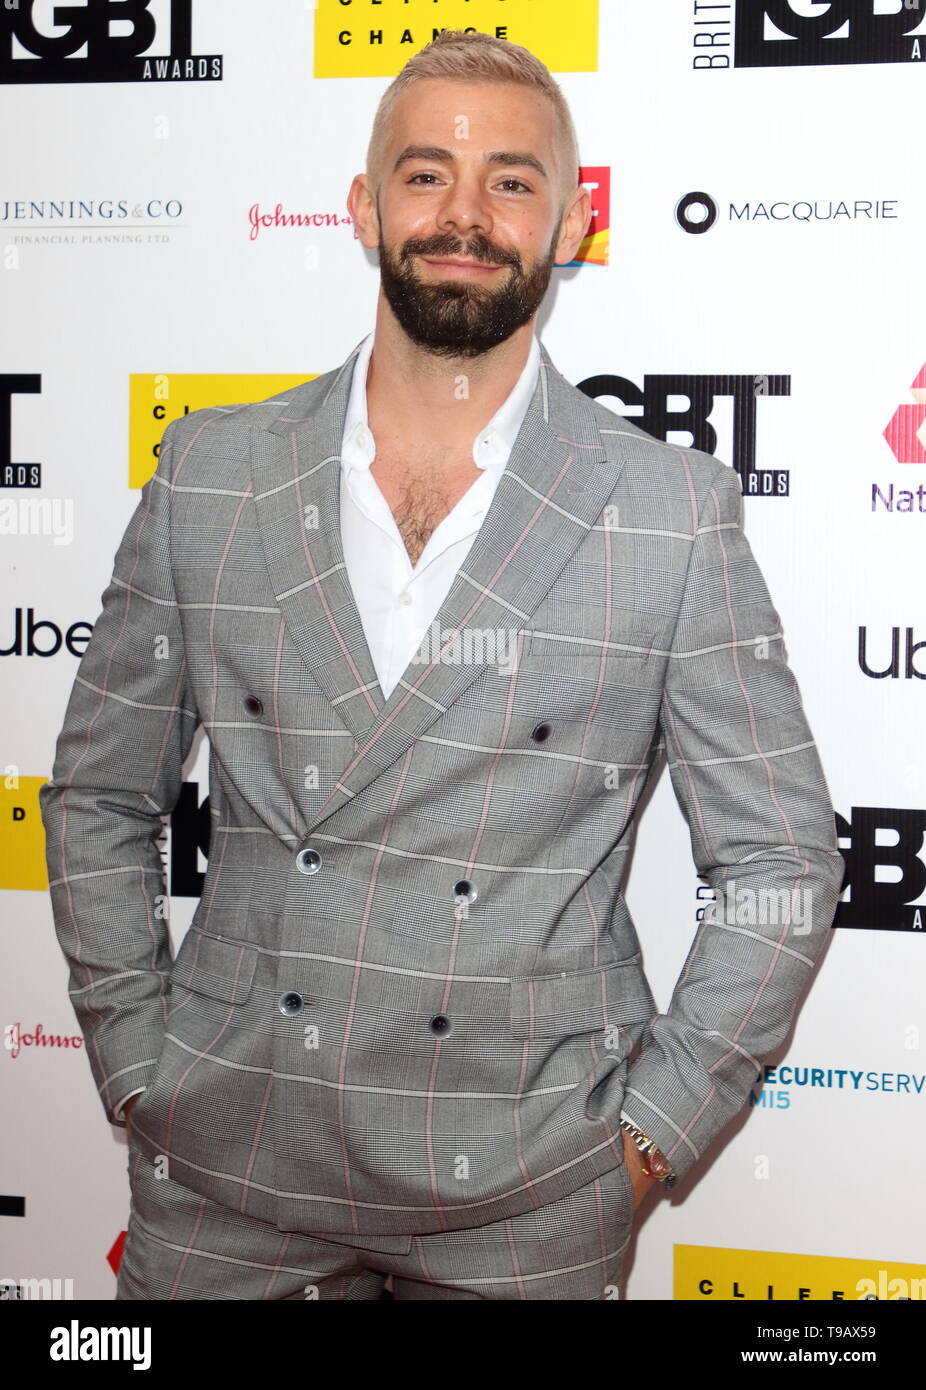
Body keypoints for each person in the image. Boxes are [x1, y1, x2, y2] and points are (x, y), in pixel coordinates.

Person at [40, 29, 845, 1300]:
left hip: (527, 1190)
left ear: (571, 224)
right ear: (362, 207)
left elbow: (780, 856)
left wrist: (649, 1138)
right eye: (425, 175)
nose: (464, 214)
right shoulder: (210, 475)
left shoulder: (668, 509)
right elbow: (97, 794)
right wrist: (138, 1064)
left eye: (512, 182)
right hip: (227, 1160)